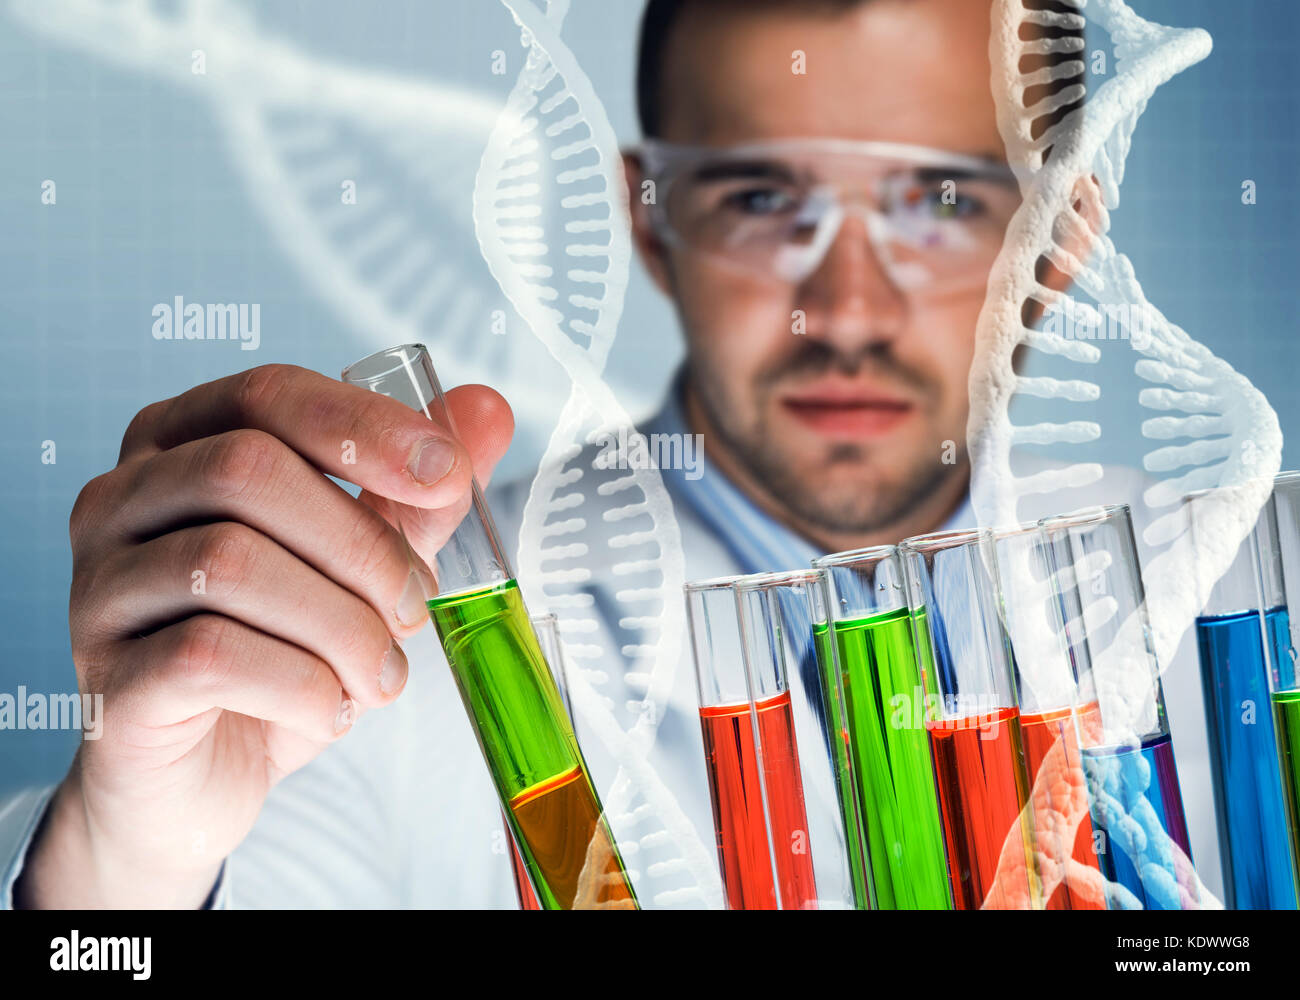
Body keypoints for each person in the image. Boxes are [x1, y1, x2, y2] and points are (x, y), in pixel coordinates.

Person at [1, 0, 1215, 908]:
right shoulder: (379, 652)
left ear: (1061, 235)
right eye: (759, 199)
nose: (846, 308)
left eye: (940, 202)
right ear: (649, 219)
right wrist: (120, 864)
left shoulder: (1224, 598)